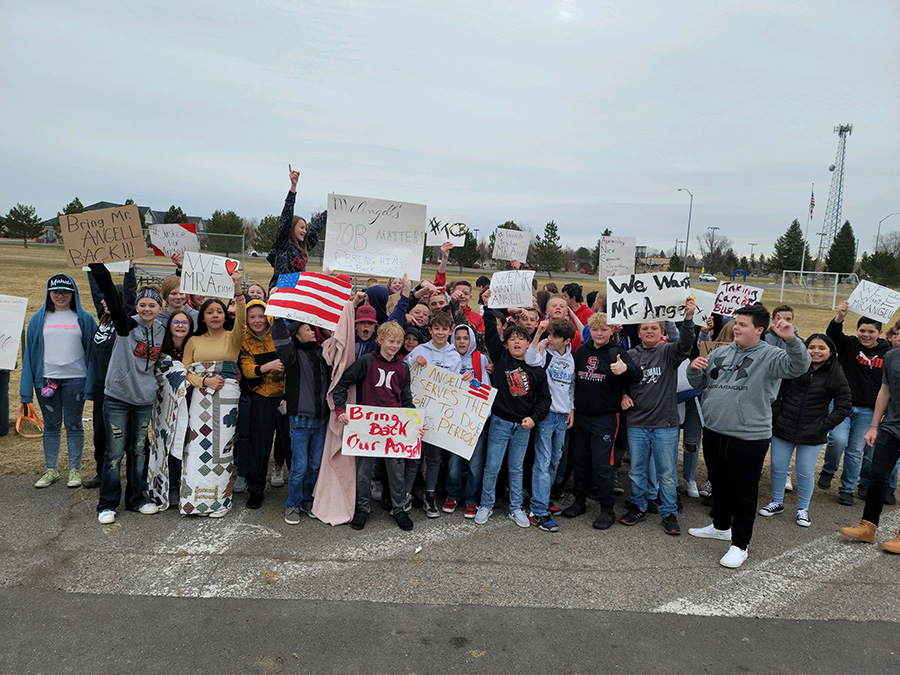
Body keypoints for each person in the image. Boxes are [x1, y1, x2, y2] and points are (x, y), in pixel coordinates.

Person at [687, 304, 810, 569]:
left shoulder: (772, 355)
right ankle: (721, 526)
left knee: (744, 491)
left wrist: (791, 339)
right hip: (715, 430)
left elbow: (799, 366)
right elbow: (700, 383)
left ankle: (740, 545)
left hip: (749, 436)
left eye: (743, 324)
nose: (736, 328)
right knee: (719, 482)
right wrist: (694, 369)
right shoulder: (720, 352)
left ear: (759, 330)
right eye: (736, 323)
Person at [89, 262, 166, 524]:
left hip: (144, 400)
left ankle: (136, 499)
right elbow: (112, 295)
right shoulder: (126, 324)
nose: (146, 309)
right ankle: (107, 504)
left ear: (160, 309)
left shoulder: (162, 329)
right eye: (142, 304)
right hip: (118, 399)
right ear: (136, 306)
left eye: (152, 305)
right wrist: (101, 269)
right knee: (114, 453)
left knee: (138, 451)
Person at [620, 297, 696, 536]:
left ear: (662, 332)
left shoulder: (668, 352)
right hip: (637, 423)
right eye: (645, 328)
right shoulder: (630, 355)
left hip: (665, 424)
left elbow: (685, 344)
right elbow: (621, 380)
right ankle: (638, 506)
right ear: (639, 333)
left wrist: (688, 318)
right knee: (637, 470)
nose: (649, 331)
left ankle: (669, 513)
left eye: (654, 327)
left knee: (667, 473)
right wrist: (623, 394)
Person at [475, 291, 551, 527]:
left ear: (529, 343)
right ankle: (486, 504)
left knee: (516, 468)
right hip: (500, 422)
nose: (517, 342)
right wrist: (488, 305)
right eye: (512, 339)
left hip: (523, 426)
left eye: (522, 339)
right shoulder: (500, 358)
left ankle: (516, 507)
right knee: (492, 466)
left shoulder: (536, 369)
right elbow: (490, 330)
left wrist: (534, 418)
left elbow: (544, 400)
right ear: (506, 344)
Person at [333, 321, 417, 531]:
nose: (395, 346)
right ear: (379, 340)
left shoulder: (403, 367)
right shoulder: (367, 361)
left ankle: (399, 509)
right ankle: (362, 508)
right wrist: (340, 409)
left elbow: (406, 399)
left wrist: (415, 425)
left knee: (396, 471)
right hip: (367, 426)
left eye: (398, 342)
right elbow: (343, 383)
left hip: (393, 428)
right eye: (391, 341)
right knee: (364, 471)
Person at [760, 334, 851, 527]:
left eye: (822, 348)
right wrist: (778, 416)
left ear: (831, 352)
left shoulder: (836, 374)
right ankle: (777, 502)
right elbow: (776, 391)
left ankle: (803, 509)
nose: (816, 351)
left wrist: (823, 425)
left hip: (813, 434)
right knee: (777, 466)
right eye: (812, 347)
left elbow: (843, 407)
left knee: (805, 471)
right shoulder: (794, 367)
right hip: (783, 428)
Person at [562, 312, 641, 529]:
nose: (599, 333)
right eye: (595, 329)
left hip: (606, 417)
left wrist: (625, 369)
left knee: (602, 465)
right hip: (581, 416)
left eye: (604, 329)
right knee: (580, 461)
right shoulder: (581, 352)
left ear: (611, 330)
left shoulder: (617, 352)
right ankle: (579, 501)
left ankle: (607, 510)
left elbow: (637, 375)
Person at [21, 274, 97, 489]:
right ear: (49, 293)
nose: (60, 296)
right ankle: (51, 469)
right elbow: (30, 354)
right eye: (56, 292)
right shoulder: (38, 319)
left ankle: (75, 470)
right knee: (51, 425)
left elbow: (93, 352)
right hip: (46, 381)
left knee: (74, 423)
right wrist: (26, 390)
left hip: (76, 379)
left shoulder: (84, 319)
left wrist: (93, 383)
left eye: (65, 292)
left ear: (73, 294)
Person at [180, 271, 246, 517]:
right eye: (210, 312)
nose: (215, 315)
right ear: (203, 316)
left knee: (222, 449)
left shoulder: (233, 338)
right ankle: (195, 501)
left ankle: (220, 501)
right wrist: (204, 381)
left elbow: (242, 321)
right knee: (197, 446)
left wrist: (238, 290)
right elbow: (184, 371)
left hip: (227, 399)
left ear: (225, 315)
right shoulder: (193, 341)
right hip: (200, 398)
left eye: (219, 311)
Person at [820, 302, 891, 505]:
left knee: (855, 451)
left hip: (868, 411)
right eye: (862, 331)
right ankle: (828, 470)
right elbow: (832, 336)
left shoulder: (887, 352)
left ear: (880, 333)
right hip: (842, 405)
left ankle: (847, 489)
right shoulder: (850, 344)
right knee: (837, 440)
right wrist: (840, 317)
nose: (866, 335)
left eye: (871, 332)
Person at [839, 345, 900, 553]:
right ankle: (868, 525)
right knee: (877, 474)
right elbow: (885, 390)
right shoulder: (891, 356)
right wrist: (874, 426)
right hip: (891, 427)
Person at [272, 317, 331, 524]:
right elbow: (280, 339)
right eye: (307, 329)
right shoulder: (292, 356)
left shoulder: (323, 353)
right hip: (300, 422)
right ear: (296, 335)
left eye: (313, 330)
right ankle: (293, 504)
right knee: (299, 466)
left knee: (315, 465)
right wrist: (278, 318)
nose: (313, 332)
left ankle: (307, 500)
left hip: (321, 421)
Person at [405, 311, 464, 517]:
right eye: (436, 328)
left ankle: (430, 495)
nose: (440, 332)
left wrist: (465, 379)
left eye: (444, 329)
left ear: (450, 331)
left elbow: (457, 386)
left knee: (434, 457)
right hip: (418, 412)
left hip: (440, 416)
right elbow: (404, 370)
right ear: (430, 330)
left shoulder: (454, 356)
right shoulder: (420, 350)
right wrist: (414, 361)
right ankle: (406, 494)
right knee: (414, 456)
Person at [83, 264, 136, 489]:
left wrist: (130, 270)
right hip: (101, 387)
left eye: (108, 299)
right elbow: (97, 293)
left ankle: (135, 477)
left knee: (128, 435)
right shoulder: (103, 319)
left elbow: (130, 298)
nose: (103, 302)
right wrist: (90, 266)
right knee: (101, 434)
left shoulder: (126, 322)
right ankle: (101, 472)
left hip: (121, 389)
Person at [525, 318, 576, 532]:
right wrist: (539, 335)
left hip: (562, 416)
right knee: (543, 462)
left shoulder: (571, 358)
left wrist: (571, 409)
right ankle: (537, 510)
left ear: (567, 340)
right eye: (550, 335)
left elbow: (571, 386)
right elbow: (530, 360)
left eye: (555, 336)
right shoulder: (544, 353)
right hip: (546, 416)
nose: (551, 339)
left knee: (555, 461)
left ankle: (543, 499)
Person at [239, 299, 290, 510]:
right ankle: (256, 490)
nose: (257, 320)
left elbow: (292, 363)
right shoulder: (244, 341)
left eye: (261, 316)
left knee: (290, 445)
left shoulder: (279, 335)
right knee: (259, 445)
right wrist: (266, 367)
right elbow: (246, 368)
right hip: (261, 398)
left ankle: (298, 491)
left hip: (285, 398)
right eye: (252, 317)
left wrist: (289, 395)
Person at [147, 311, 194, 509]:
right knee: (169, 440)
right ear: (169, 325)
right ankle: (170, 485)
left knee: (186, 441)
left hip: (190, 401)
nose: (180, 326)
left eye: (185, 322)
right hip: (165, 403)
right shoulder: (161, 348)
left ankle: (185, 484)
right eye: (176, 322)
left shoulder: (194, 347)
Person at [444, 324, 491, 518]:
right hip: (454, 418)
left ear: (471, 339)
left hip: (476, 418)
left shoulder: (480, 359)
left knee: (475, 462)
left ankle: (471, 498)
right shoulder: (448, 357)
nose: (461, 342)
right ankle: (452, 494)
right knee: (454, 461)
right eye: (458, 338)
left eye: (465, 338)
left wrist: (472, 382)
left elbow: (485, 388)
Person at [266, 164, 326, 288]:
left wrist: (329, 211)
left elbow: (315, 229)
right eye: (301, 228)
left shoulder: (304, 247)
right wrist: (293, 187)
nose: (305, 231)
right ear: (292, 228)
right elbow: (286, 218)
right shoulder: (284, 244)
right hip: (280, 289)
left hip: (297, 290)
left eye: (305, 228)